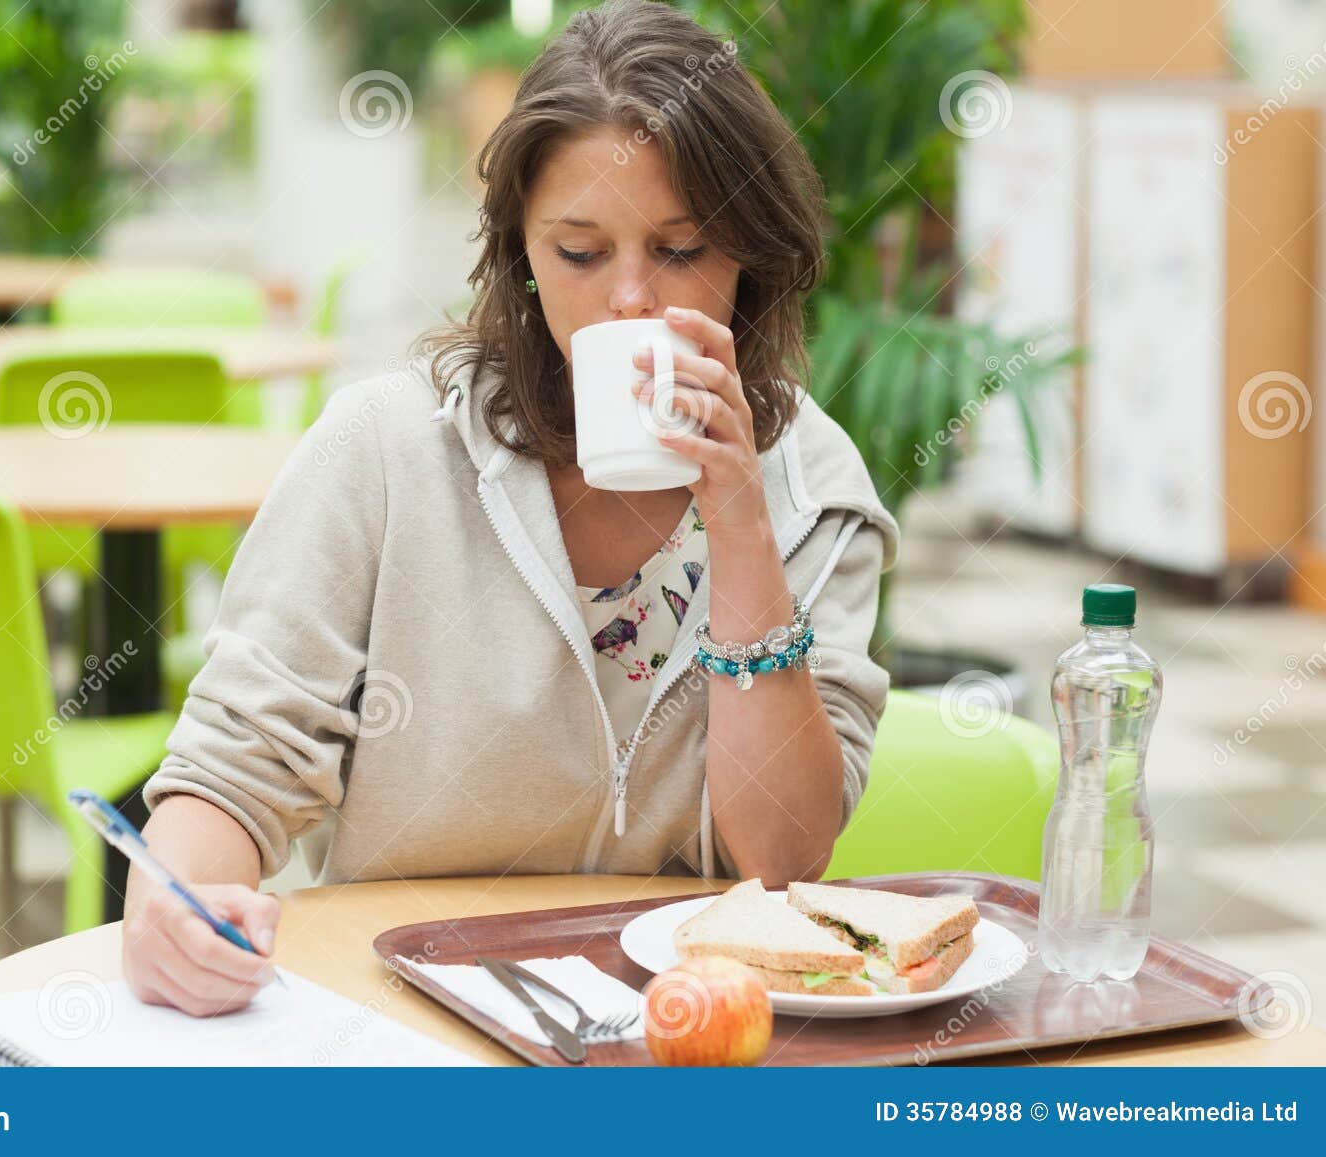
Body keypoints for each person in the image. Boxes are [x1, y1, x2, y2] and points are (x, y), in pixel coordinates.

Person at [122, 0, 900, 1018]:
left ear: (749, 250)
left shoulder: (810, 488)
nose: (629, 300)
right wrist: (172, 906)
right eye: (579, 252)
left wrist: (741, 522)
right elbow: (238, 765)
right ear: (522, 255)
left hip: (677, 1032)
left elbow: (784, 853)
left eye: (679, 250)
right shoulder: (386, 451)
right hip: (398, 1017)